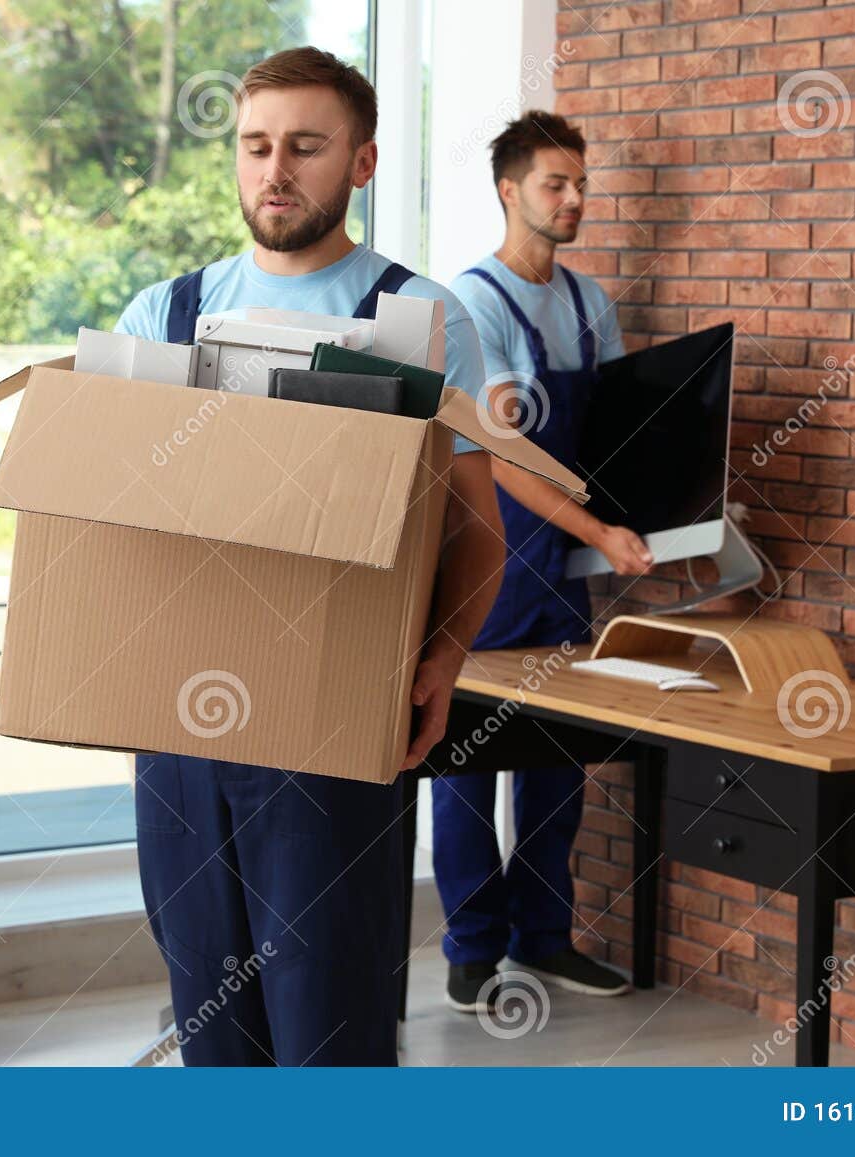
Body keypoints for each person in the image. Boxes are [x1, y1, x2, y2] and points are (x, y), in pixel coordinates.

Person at [112, 46, 507, 1065]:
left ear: (362, 163)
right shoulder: (164, 314)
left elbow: (475, 530)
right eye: (254, 146)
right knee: (210, 1023)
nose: (273, 170)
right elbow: (108, 520)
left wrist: (444, 659)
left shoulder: (417, 320)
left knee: (329, 1022)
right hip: (181, 722)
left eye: (304, 146)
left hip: (337, 716)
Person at [434, 111, 653, 1013]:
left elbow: (618, 435)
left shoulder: (588, 302)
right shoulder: (471, 302)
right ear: (509, 190)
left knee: (558, 764)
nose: (573, 200)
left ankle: (546, 937)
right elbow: (505, 457)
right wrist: (602, 535)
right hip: (488, 558)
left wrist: (679, 514)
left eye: (580, 184)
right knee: (468, 768)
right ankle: (472, 951)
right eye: (555, 183)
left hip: (561, 571)